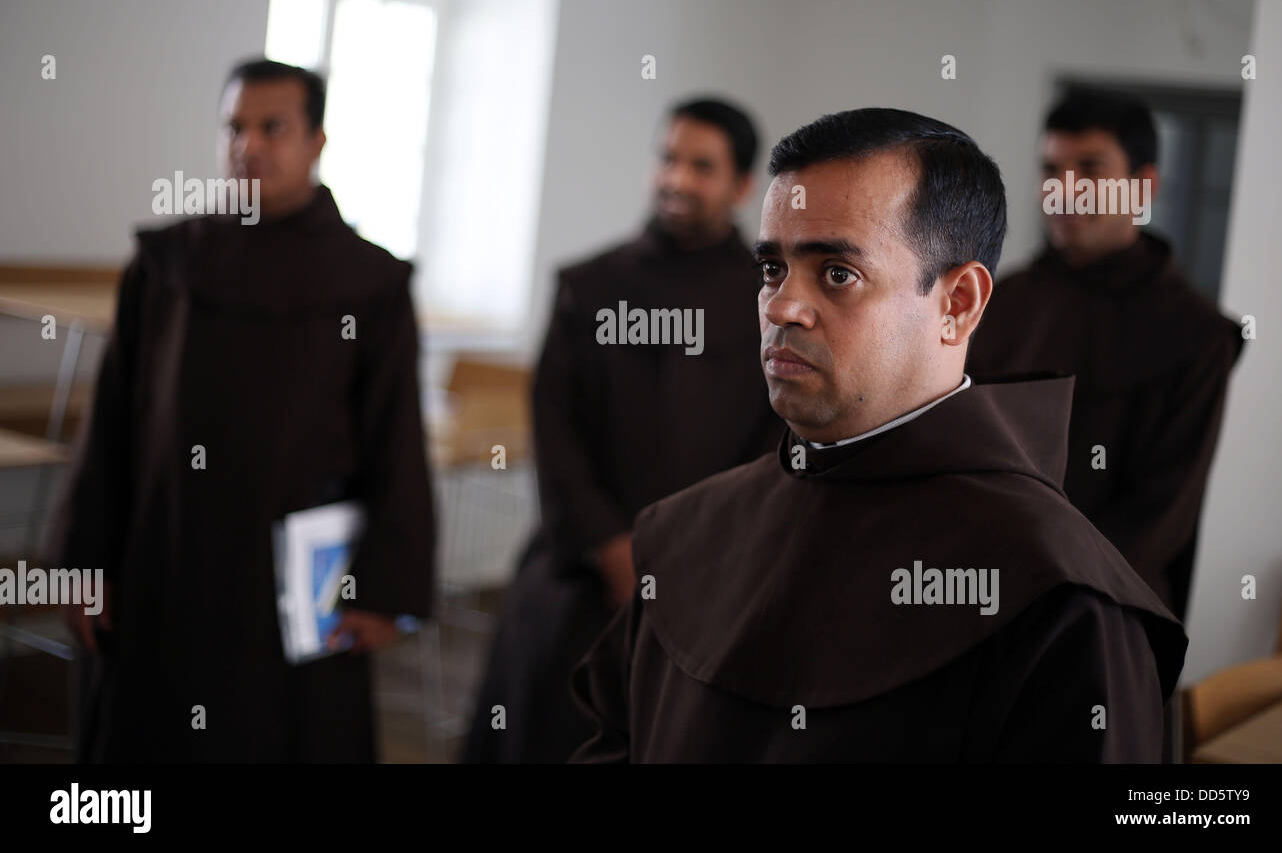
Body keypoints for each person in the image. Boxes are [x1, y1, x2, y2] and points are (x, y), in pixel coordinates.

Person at [570, 108, 1186, 762]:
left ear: (957, 305)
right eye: (773, 269)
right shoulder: (687, 531)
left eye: (837, 273)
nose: (781, 306)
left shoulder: (1060, 601)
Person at [50, 58, 436, 762]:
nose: (247, 145)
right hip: (164, 562)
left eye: (272, 127)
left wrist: (384, 588)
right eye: (234, 127)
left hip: (292, 584)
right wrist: (84, 561)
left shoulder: (370, 281)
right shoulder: (168, 264)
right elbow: (108, 424)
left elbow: (396, 438)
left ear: (316, 141)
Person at [462, 98, 785, 762]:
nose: (678, 178)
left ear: (741, 185)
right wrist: (611, 548)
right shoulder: (589, 283)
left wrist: (689, 554)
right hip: (579, 568)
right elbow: (555, 429)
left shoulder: (772, 302)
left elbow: (772, 440)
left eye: (702, 166)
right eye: (668, 158)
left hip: (707, 580)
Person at [969, 88, 1244, 622]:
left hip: (1102, 611)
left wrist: (1045, 586)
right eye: (1051, 169)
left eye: (1090, 170)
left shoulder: (1197, 333)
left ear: (1144, 186)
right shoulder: (998, 300)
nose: (1065, 191)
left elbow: (1162, 515)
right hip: (981, 591)